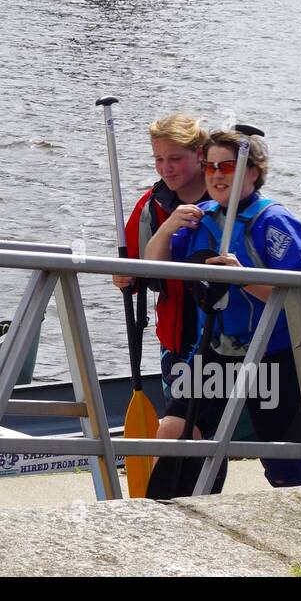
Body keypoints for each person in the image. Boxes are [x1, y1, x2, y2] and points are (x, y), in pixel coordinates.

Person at [142, 128, 301, 499]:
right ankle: (172, 516)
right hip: (216, 353)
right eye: (209, 168)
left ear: (252, 172)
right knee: (173, 431)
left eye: (227, 167)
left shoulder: (274, 223)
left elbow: (297, 295)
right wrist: (168, 228)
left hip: (272, 359)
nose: (217, 175)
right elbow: (151, 268)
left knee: (283, 466)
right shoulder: (199, 218)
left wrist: (243, 278)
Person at [112, 114, 209, 400]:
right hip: (176, 338)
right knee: (180, 420)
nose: (165, 168)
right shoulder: (150, 206)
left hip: (223, 335)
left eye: (175, 158)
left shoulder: (226, 197)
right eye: (158, 159)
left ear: (199, 155)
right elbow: (131, 270)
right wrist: (122, 278)